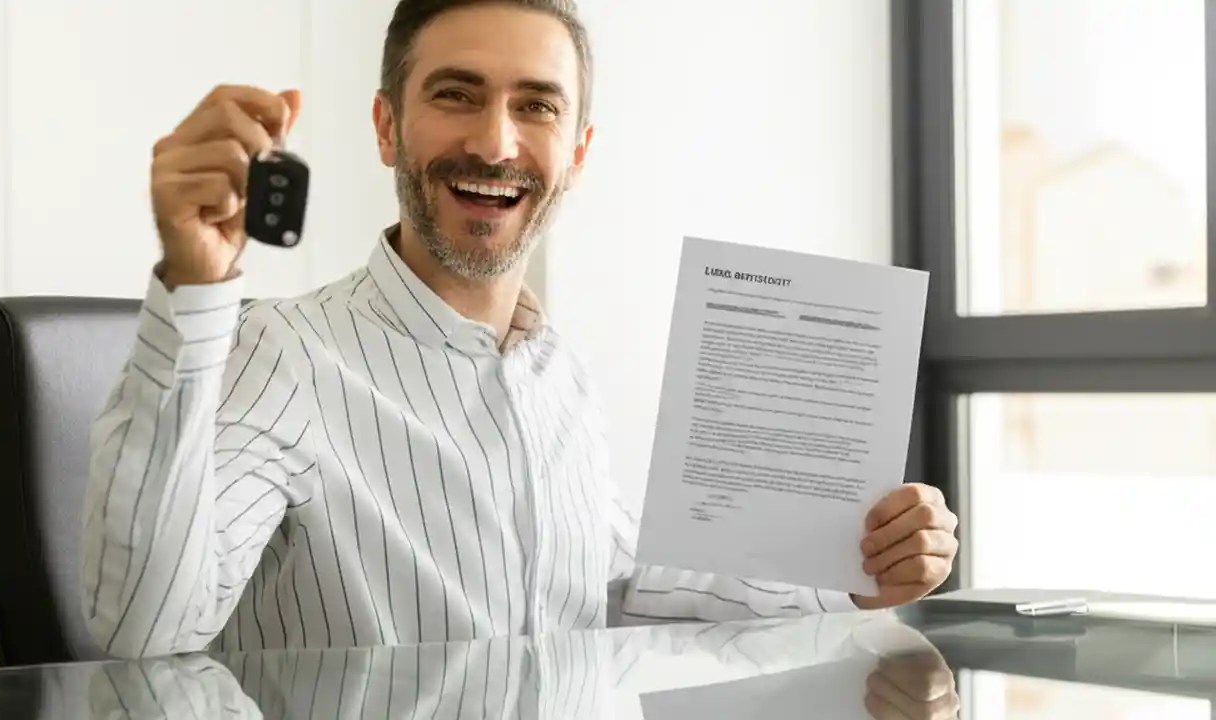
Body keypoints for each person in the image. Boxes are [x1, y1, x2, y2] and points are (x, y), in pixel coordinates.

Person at [81, 0, 959, 659]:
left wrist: (853, 570)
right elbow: (144, 630)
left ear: (576, 152)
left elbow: (620, 582)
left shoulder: (556, 372)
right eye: (456, 95)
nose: (496, 143)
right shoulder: (282, 354)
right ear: (388, 128)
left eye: (536, 106)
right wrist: (195, 287)